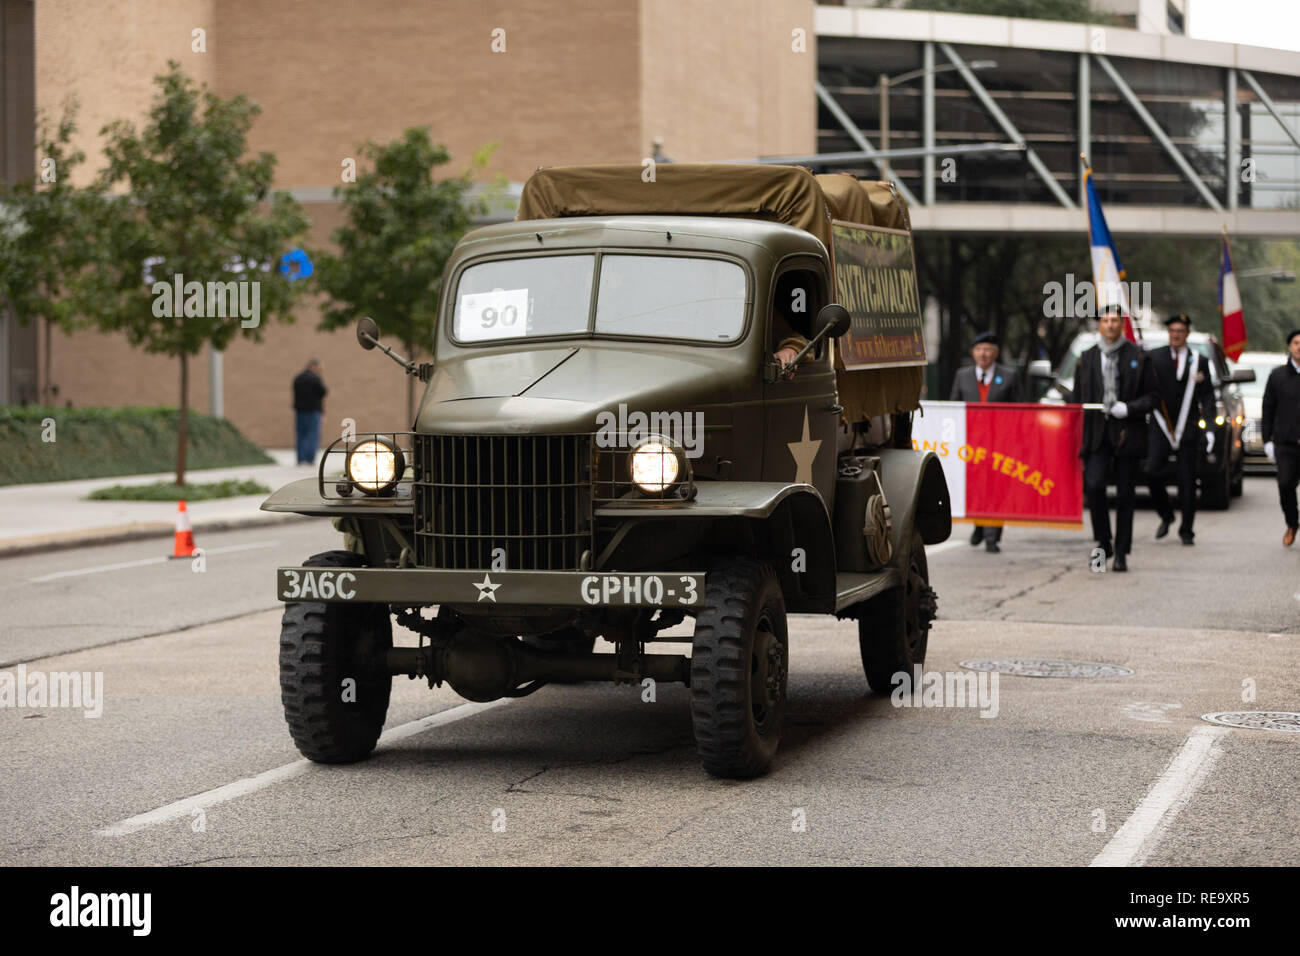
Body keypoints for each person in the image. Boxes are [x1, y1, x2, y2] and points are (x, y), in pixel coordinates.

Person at [1073, 308, 1159, 572]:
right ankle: (1104, 541)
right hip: (1096, 435)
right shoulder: (1086, 358)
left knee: (1125, 495)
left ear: (1122, 325)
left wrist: (1130, 408)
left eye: (1115, 321)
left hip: (1127, 434)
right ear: (1099, 325)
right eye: (1105, 321)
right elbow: (1077, 399)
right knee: (1095, 487)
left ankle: (1122, 551)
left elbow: (1154, 397)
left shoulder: (1138, 356)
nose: (1110, 325)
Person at [949, 330, 1023, 552]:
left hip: (999, 443)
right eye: (979, 349)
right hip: (970, 443)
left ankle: (992, 536)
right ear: (973, 353)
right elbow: (954, 406)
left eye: (987, 350)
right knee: (975, 487)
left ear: (995, 353)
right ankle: (980, 525)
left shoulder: (1009, 376)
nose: (983, 354)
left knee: (995, 488)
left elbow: (1020, 410)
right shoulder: (962, 376)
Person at [1145, 314, 1216, 545]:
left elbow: (1207, 397)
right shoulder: (1154, 357)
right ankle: (1166, 514)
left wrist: (1211, 428)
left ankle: (1187, 530)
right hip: (1160, 424)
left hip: (1188, 426)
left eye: (1180, 331)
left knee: (1187, 480)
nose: (1176, 335)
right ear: (1169, 333)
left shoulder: (1199, 361)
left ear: (1187, 333)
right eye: (1173, 331)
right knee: (1152, 471)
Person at [1261, 328, 1300, 547]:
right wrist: (1267, 440)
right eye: (1296, 342)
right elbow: (1268, 408)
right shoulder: (1277, 376)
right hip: (1285, 443)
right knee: (1285, 484)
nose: (1299, 346)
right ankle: (1292, 523)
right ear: (1290, 346)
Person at [292, 359, 327, 466]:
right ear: (314, 366)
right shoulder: (315, 379)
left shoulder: (298, 378)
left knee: (301, 434)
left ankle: (300, 458)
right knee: (312, 435)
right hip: (313, 411)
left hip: (300, 411)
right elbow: (323, 392)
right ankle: (310, 459)